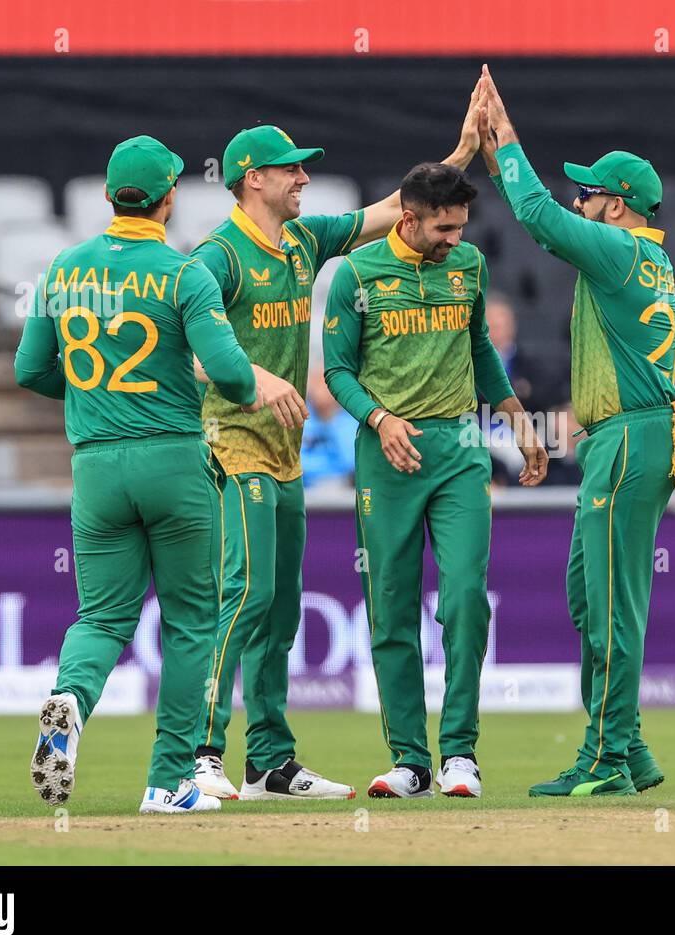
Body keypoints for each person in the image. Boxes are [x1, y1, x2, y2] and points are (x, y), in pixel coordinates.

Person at [189, 97, 484, 802]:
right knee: (247, 595)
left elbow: (398, 208)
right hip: (234, 447)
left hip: (285, 453)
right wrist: (250, 376)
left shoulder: (302, 242)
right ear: (251, 177)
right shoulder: (216, 256)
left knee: (280, 610)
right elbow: (186, 351)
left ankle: (268, 763)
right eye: (291, 170)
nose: (303, 180)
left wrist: (462, 155)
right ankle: (198, 752)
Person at [14, 135, 261, 814]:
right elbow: (237, 377)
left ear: (107, 196)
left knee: (100, 617)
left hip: (95, 465)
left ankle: (70, 700)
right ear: (169, 197)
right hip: (174, 461)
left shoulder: (61, 270)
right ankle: (167, 782)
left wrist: (101, 399)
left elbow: (29, 370)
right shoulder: (186, 275)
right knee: (188, 622)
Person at [479, 65, 675, 797]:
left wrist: (506, 140)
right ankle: (628, 746)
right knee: (588, 592)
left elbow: (539, 216)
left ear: (618, 205)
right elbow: (546, 215)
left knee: (610, 601)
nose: (580, 200)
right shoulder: (636, 254)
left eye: (590, 193)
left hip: (632, 439)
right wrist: (494, 155)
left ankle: (605, 756)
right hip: (622, 436)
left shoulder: (623, 250)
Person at [323, 161, 547, 798]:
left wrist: (519, 422)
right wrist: (380, 417)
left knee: (465, 599)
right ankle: (409, 762)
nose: (456, 239)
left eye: (461, 227)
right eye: (445, 228)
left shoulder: (469, 268)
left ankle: (460, 755)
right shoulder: (356, 275)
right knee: (391, 610)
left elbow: (480, 350)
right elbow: (337, 371)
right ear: (409, 218)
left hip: (459, 448)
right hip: (385, 453)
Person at [300, 362, 357, 490]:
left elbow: (351, 462)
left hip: (345, 493)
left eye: (327, 383)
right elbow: (294, 463)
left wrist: (331, 423)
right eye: (318, 382)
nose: (323, 389)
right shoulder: (298, 418)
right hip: (306, 492)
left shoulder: (353, 420)